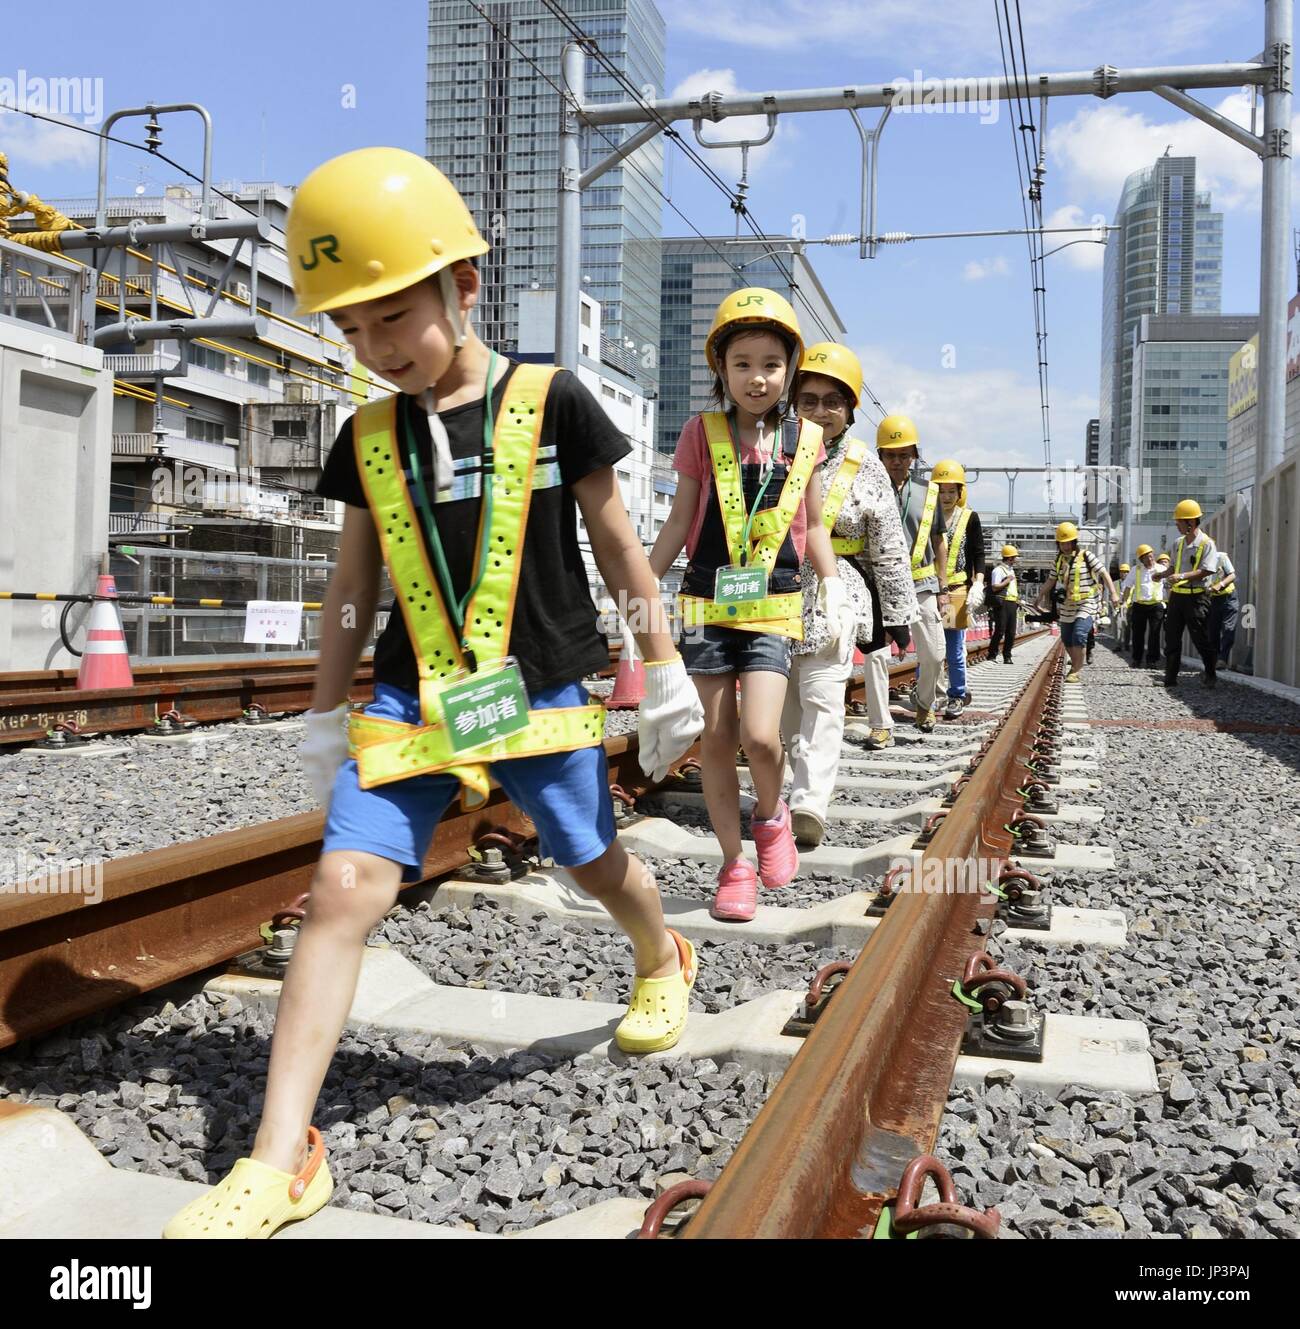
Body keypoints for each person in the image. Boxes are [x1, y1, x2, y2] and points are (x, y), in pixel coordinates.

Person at [162, 149, 705, 1239]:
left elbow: (616, 546)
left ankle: (662, 953)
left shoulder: (555, 401)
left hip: (538, 691)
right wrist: (323, 717)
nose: (374, 349)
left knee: (591, 862)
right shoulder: (364, 438)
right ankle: (281, 1157)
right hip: (408, 705)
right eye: (352, 329)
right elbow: (351, 587)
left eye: (393, 316)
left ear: (464, 285)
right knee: (344, 889)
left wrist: (665, 663)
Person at [650, 288, 844, 922]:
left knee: (761, 736)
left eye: (770, 362)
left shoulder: (805, 439)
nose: (756, 377)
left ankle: (771, 816)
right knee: (716, 736)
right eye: (742, 363)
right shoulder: (699, 434)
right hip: (706, 597)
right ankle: (735, 863)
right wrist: (643, 583)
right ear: (720, 370)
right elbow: (682, 517)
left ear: (789, 369)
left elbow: (814, 526)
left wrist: (834, 589)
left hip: (776, 602)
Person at [781, 343, 915, 847]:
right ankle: (790, 789)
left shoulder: (867, 466)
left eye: (832, 401)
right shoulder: (772, 448)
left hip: (838, 592)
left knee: (822, 694)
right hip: (775, 592)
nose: (820, 411)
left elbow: (888, 546)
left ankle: (810, 801)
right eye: (808, 399)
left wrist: (897, 612)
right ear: (793, 403)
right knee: (783, 705)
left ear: (850, 409)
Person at [873, 416, 948, 733]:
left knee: (933, 654)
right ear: (880, 456)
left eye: (904, 454)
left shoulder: (929, 493)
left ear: (914, 455)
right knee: (875, 655)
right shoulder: (870, 487)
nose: (897, 461)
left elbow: (938, 541)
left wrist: (943, 588)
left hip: (922, 584)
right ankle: (879, 723)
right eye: (891, 455)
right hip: (878, 584)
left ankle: (925, 701)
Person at [932, 460, 985, 719]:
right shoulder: (926, 515)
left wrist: (979, 582)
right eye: (941, 490)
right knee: (929, 647)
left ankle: (956, 694)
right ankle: (929, 694)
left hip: (954, 591)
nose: (946, 496)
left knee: (952, 646)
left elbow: (978, 552)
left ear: (960, 492)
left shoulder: (969, 517)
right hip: (929, 589)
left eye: (951, 491)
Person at [1035, 521, 1117, 682]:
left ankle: (1075, 671)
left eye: (1068, 542)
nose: (1065, 546)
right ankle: (1076, 662)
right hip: (1067, 605)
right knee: (1066, 638)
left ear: (1074, 542)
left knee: (1079, 635)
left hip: (1087, 602)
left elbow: (1104, 573)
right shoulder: (1058, 561)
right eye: (1062, 543)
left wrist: (1113, 593)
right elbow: (1051, 581)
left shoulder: (1087, 556)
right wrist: (1038, 597)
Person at [1151, 498, 1220, 688]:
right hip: (1177, 598)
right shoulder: (1177, 544)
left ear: (1190, 523)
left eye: (1179, 522)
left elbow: (1208, 570)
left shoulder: (1207, 544)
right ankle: (1170, 678)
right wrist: (1161, 574)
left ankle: (1210, 673)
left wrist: (1181, 576)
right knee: (1172, 636)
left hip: (1197, 597)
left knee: (1200, 637)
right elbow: (1172, 568)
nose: (1177, 525)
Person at [1125, 544, 1166, 667]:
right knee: (1137, 633)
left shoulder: (1162, 569)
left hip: (1156, 605)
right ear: (1141, 559)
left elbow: (1169, 586)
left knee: (1154, 633)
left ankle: (1152, 660)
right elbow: (1127, 586)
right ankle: (1137, 659)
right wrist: (1123, 602)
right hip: (1139, 605)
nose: (1149, 559)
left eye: (1151, 556)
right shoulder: (1135, 570)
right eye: (1146, 557)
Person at [1206, 547, 1239, 669]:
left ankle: (1222, 659)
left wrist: (1221, 584)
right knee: (1212, 631)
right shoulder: (1200, 562)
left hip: (1228, 597)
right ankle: (1215, 660)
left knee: (1228, 628)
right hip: (1212, 599)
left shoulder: (1221, 557)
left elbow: (1232, 575)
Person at [987, 544, 1021, 663]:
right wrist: (1007, 580)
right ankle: (992, 654)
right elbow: (995, 587)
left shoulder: (1010, 570)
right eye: (1014, 557)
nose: (1016, 559)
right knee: (1000, 629)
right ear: (1009, 558)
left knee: (1011, 631)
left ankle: (1007, 656)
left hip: (1012, 602)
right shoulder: (998, 570)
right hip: (1002, 602)